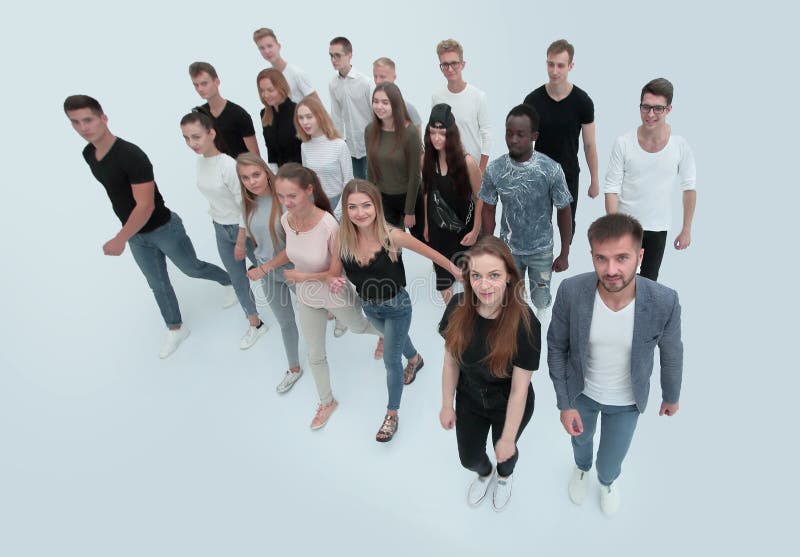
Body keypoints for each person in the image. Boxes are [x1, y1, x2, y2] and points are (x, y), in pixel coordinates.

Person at [64, 95, 231, 359]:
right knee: (157, 283)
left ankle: (231, 281)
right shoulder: (89, 154)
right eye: (75, 122)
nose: (83, 127)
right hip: (136, 235)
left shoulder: (131, 155)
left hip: (164, 229)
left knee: (192, 269)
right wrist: (128, 235)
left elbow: (145, 206)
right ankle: (176, 328)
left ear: (103, 118)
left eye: (88, 120)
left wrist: (120, 238)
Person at [547, 213, 683, 515]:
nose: (611, 270)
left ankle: (607, 481)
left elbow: (672, 352)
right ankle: (581, 468)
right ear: (592, 256)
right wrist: (564, 403)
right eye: (601, 258)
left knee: (610, 461)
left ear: (640, 256)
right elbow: (556, 346)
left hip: (626, 403)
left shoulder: (664, 301)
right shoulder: (571, 291)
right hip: (581, 395)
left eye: (622, 258)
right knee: (581, 443)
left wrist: (671, 396)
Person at [328, 180, 461, 442]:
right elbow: (334, 272)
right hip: (369, 308)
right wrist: (334, 280)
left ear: (376, 206)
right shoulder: (342, 238)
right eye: (352, 207)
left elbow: (432, 253)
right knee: (397, 340)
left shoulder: (392, 236)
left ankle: (391, 414)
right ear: (345, 209)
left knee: (390, 360)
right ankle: (415, 359)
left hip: (398, 307)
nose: (360, 212)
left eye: (366, 205)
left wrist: (455, 270)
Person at [259, 163, 381, 430]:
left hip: (334, 293)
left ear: (309, 190)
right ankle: (327, 402)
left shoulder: (329, 226)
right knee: (315, 354)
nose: (286, 202)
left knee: (360, 327)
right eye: (281, 196)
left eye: (292, 195)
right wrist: (266, 267)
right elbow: (291, 251)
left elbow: (334, 273)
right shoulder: (286, 220)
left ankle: (389, 335)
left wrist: (300, 276)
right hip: (307, 298)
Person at [439, 236, 539, 511]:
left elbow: (519, 390)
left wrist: (507, 438)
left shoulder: (526, 323)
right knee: (468, 458)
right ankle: (485, 473)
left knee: (505, 453)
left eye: (494, 275)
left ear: (509, 277)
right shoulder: (457, 307)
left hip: (508, 402)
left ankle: (504, 477)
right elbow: (450, 362)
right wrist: (447, 404)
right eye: (476, 276)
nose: (484, 285)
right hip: (470, 397)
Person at [179, 111, 268, 349]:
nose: (192, 143)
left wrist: (240, 240)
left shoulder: (228, 165)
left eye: (196, 136)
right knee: (238, 279)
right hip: (220, 227)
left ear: (211, 133)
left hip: (243, 229)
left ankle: (309, 302)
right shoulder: (200, 163)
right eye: (186, 138)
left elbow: (244, 205)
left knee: (270, 270)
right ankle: (255, 323)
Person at [479, 104, 572, 321]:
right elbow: (489, 209)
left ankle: (541, 323)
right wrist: (487, 246)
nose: (513, 140)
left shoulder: (550, 169)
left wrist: (565, 252)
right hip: (509, 250)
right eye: (509, 133)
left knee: (541, 298)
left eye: (520, 134)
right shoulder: (495, 170)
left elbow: (564, 210)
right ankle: (517, 330)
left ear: (534, 136)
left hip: (541, 249)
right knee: (512, 299)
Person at [604, 78, 697, 282]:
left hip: (658, 228)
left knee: (648, 286)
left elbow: (689, 188)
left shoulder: (680, 146)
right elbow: (611, 188)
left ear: (669, 109)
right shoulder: (623, 143)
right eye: (645, 107)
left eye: (658, 109)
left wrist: (686, 229)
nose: (650, 114)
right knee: (621, 282)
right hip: (626, 227)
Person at [238, 153, 304, 394]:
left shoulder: (286, 201)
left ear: (267, 173)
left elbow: (294, 246)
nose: (252, 181)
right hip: (268, 275)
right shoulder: (247, 204)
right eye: (245, 178)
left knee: (326, 305)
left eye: (256, 174)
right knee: (285, 322)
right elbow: (253, 237)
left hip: (294, 270)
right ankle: (294, 368)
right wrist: (254, 259)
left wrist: (264, 268)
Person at [523, 39, 599, 240]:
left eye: (560, 65)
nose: (554, 71)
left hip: (568, 173)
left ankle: (565, 254)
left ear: (570, 66)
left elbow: (589, 145)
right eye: (550, 64)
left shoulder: (582, 102)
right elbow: (523, 143)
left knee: (567, 228)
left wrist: (595, 180)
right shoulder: (532, 101)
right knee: (538, 228)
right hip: (539, 174)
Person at [422, 103, 482, 303]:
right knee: (443, 277)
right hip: (438, 229)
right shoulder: (427, 160)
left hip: (463, 230)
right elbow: (427, 192)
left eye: (442, 133)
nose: (437, 138)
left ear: (452, 134)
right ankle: (452, 311)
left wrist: (476, 231)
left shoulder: (467, 163)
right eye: (433, 132)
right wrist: (427, 224)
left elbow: (481, 198)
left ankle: (470, 312)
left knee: (469, 276)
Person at [365, 82, 424, 239]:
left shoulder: (410, 132)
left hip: (409, 197)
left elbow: (415, 175)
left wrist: (409, 211)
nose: (379, 106)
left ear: (395, 104)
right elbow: (370, 169)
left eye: (385, 102)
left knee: (422, 241)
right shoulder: (370, 130)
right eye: (375, 101)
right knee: (390, 244)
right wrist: (371, 200)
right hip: (384, 199)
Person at [432, 39, 491, 172]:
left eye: (454, 63)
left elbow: (487, 135)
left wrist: (481, 171)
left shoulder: (478, 96)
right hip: (446, 170)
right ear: (441, 67)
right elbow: (436, 133)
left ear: (462, 65)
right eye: (445, 64)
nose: (450, 69)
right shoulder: (437, 98)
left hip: (472, 170)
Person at [295, 95, 353, 217]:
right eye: (301, 118)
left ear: (320, 116)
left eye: (309, 117)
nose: (305, 122)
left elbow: (348, 182)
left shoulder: (339, 145)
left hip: (339, 204)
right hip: (316, 205)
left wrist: (338, 212)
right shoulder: (304, 146)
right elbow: (308, 180)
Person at [189, 62, 259, 158]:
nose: (200, 89)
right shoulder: (200, 114)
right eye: (196, 85)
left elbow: (255, 155)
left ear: (217, 82)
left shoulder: (239, 114)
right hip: (213, 165)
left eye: (204, 83)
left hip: (240, 166)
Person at [328, 37, 373, 180]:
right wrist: (336, 146)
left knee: (373, 187)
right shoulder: (333, 84)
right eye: (331, 56)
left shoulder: (365, 82)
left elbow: (376, 114)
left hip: (371, 146)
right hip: (350, 148)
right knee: (357, 186)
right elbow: (336, 117)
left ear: (349, 55)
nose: (333, 60)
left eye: (337, 55)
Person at [252, 27, 318, 103]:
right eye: (262, 48)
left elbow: (317, 104)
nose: (267, 51)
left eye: (270, 46)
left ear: (278, 46)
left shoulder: (296, 73)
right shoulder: (268, 77)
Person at [256, 68, 302, 173]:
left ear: (281, 87)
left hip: (302, 174)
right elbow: (271, 152)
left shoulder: (298, 111)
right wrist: (275, 177)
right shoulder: (264, 114)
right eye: (262, 91)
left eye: (270, 90)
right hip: (281, 176)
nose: (266, 95)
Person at [373, 57, 422, 135]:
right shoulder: (373, 107)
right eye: (375, 76)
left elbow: (417, 138)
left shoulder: (408, 109)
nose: (377, 81)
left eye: (382, 77)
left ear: (394, 78)